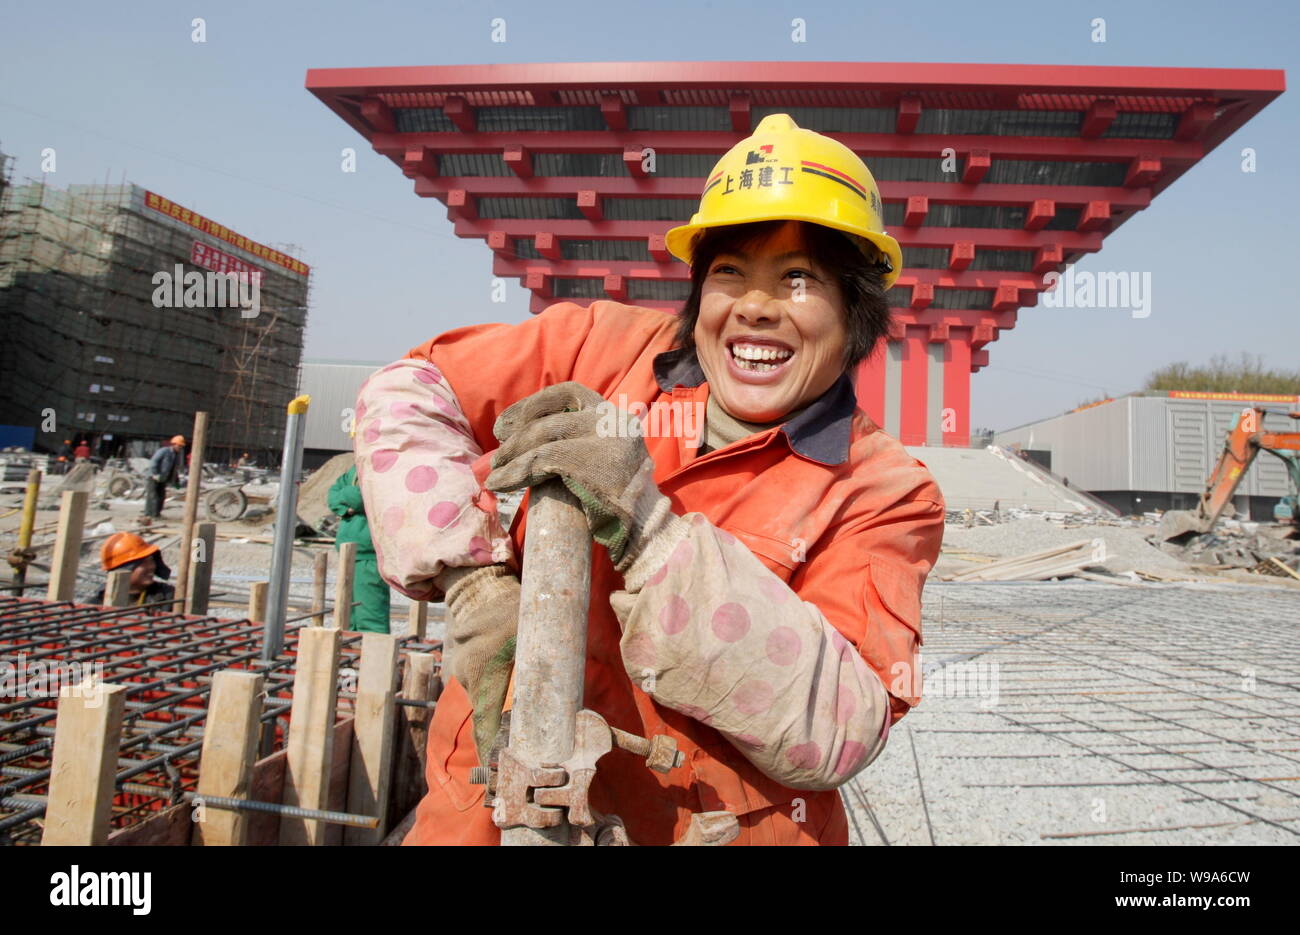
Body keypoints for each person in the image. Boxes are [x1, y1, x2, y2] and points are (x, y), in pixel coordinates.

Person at [355, 114, 944, 846]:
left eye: (799, 279)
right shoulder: (599, 349)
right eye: (731, 272)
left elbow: (842, 728)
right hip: (486, 810)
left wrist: (647, 529)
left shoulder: (884, 491)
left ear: (857, 312)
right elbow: (408, 391)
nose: (756, 305)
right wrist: (468, 579)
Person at [327, 463, 391, 632]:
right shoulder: (356, 468)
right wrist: (349, 502)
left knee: (370, 615)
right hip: (348, 553)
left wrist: (348, 497)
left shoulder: (384, 465)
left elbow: (370, 496)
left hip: (369, 554)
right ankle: (354, 653)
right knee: (348, 616)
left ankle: (375, 656)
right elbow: (332, 495)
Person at [88, 532, 175, 607]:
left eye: (151, 561)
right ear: (123, 569)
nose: (151, 566)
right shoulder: (97, 604)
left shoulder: (169, 597)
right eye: (143, 563)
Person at [143, 435, 185, 520]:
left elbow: (174, 469)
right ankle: (149, 515)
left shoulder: (176, 455)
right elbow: (154, 462)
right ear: (174, 444)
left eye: (181, 446)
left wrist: (176, 482)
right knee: (153, 496)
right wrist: (155, 474)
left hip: (162, 478)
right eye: (179, 446)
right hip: (153, 477)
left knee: (161, 496)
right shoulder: (164, 451)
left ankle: (157, 514)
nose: (180, 448)